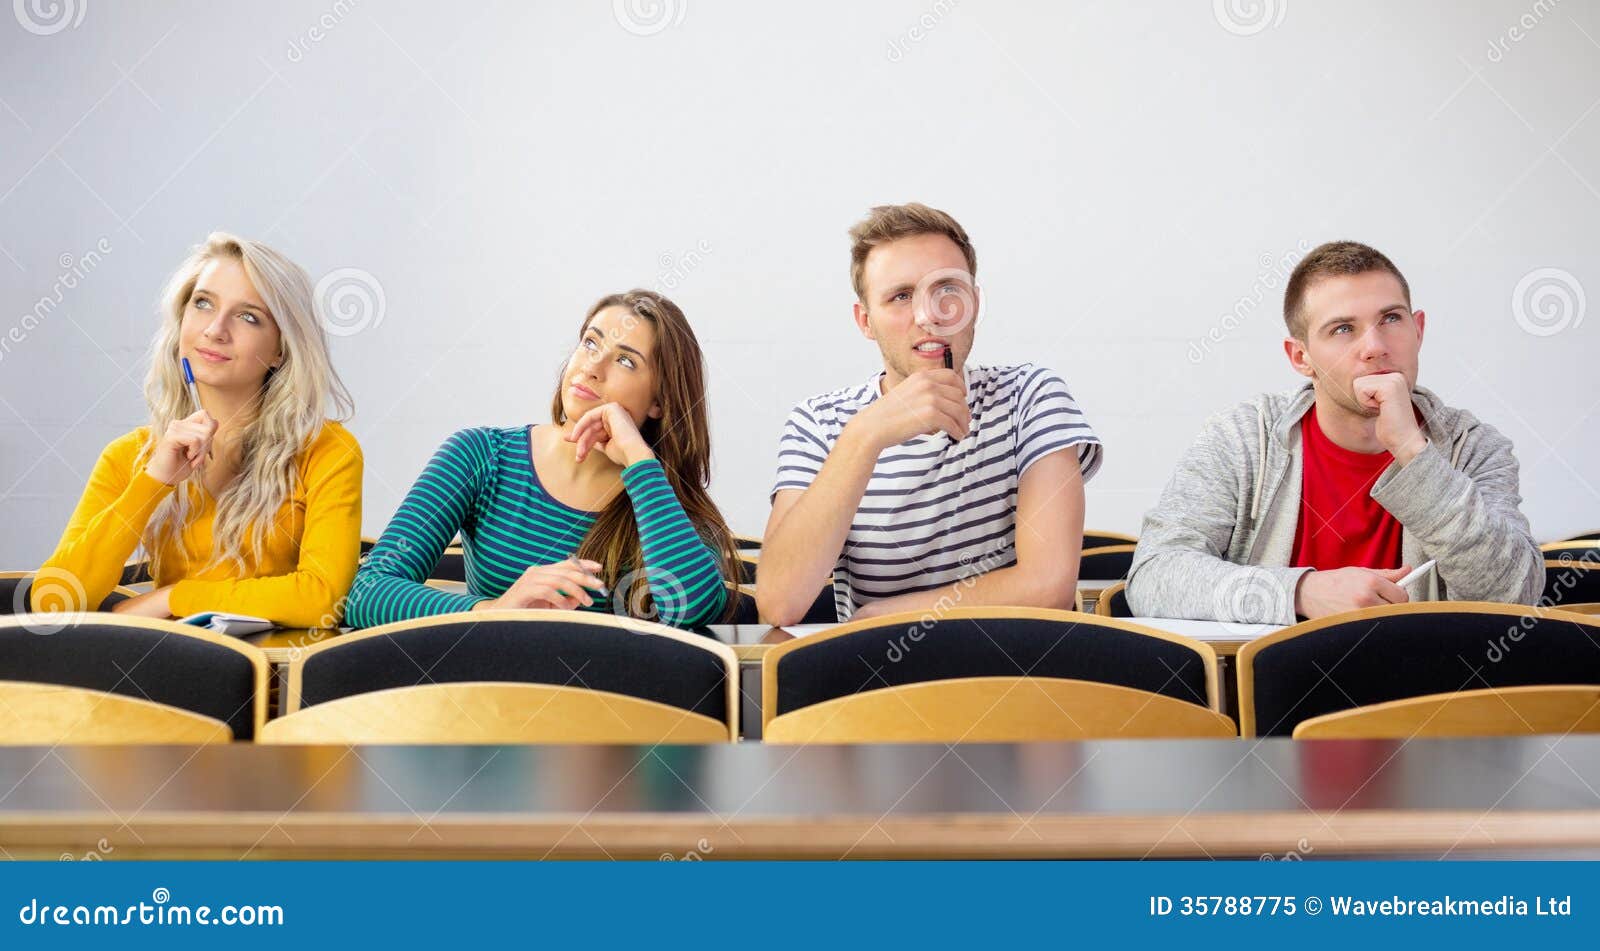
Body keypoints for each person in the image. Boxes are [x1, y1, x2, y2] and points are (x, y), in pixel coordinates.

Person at [1127, 240, 1542, 623]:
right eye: (1343, 329)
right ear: (1301, 356)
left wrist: (1414, 453)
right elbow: (1153, 575)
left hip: (1427, 693)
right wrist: (1302, 592)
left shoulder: (1474, 447)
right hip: (1276, 693)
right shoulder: (1241, 438)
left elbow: (1513, 596)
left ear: (1418, 330)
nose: (1375, 346)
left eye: (1391, 319)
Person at [758, 203, 1102, 625]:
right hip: (876, 685)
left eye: (947, 290)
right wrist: (864, 437)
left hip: (1018, 677)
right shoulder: (819, 423)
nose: (928, 316)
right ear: (865, 320)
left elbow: (1048, 586)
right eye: (901, 297)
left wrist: (883, 616)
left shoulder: (1029, 397)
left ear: (974, 302)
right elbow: (779, 602)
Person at [344, 289, 737, 629]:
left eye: (625, 361)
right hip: (488, 703)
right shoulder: (481, 456)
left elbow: (692, 612)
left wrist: (638, 460)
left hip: (607, 709)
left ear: (659, 401)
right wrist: (495, 610)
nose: (592, 367)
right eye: (590, 343)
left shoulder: (666, 503)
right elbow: (368, 591)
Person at [35, 232, 362, 628]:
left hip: (281, 683)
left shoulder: (327, 450)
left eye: (248, 316)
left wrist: (176, 596)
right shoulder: (131, 456)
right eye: (203, 304)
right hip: (165, 676)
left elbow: (322, 598)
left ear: (280, 350)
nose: (215, 329)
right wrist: (155, 480)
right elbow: (54, 602)